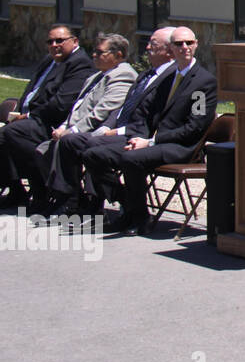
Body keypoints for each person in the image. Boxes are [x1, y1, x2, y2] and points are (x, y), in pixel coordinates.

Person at [80, 27, 218, 235]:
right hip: (152, 141)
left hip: (181, 147)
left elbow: (194, 128)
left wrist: (151, 142)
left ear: (196, 44)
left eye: (189, 43)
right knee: (93, 154)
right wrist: (139, 137)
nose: (185, 48)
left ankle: (139, 217)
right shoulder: (167, 78)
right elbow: (146, 113)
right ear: (171, 48)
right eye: (179, 44)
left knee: (131, 159)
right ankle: (127, 202)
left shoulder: (202, 82)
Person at [45, 28, 175, 215]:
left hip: (141, 137)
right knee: (64, 144)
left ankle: (110, 203)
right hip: (120, 131)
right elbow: (122, 110)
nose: (146, 48)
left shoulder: (149, 76)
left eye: (153, 44)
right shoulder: (145, 75)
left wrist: (121, 132)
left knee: (90, 147)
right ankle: (73, 202)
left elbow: (147, 116)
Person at [32, 33, 138, 218]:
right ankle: (68, 198)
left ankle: (74, 203)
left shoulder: (123, 74)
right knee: (42, 151)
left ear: (119, 55)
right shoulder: (96, 76)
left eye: (99, 52)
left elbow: (103, 111)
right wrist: (64, 126)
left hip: (98, 132)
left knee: (70, 143)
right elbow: (77, 108)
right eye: (94, 52)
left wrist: (71, 130)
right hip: (76, 129)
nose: (94, 56)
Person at [0, 25, 94, 208]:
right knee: (5, 136)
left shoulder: (79, 64)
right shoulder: (48, 60)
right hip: (30, 119)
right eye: (50, 41)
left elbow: (61, 104)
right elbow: (31, 90)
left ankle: (42, 190)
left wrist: (28, 115)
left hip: (51, 123)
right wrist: (19, 111)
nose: (54, 45)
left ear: (74, 41)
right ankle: (17, 190)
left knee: (11, 134)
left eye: (60, 40)